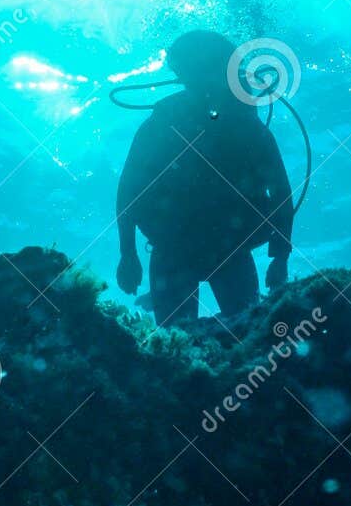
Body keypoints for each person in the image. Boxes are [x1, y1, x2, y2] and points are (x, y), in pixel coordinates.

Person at [115, 31, 294, 327]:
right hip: (191, 248)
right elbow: (129, 189)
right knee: (219, 333)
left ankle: (162, 298)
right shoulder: (163, 124)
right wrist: (127, 253)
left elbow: (280, 193)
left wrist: (281, 256)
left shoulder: (247, 128)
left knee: (229, 333)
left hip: (218, 249)